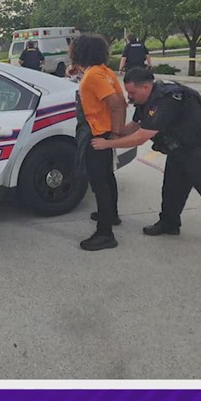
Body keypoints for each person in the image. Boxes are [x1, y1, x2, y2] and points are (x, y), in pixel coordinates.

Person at [91, 67, 201, 257]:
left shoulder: (167, 99)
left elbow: (142, 136)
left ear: (146, 87)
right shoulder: (145, 100)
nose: (130, 96)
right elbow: (135, 126)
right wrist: (114, 132)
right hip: (181, 148)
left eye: (132, 92)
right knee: (172, 187)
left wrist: (108, 144)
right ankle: (169, 223)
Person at [72, 33, 127, 251]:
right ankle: (111, 215)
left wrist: (115, 134)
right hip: (104, 134)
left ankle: (105, 233)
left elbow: (116, 103)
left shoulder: (93, 76)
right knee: (107, 176)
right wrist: (116, 132)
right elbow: (120, 101)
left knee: (99, 183)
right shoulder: (105, 72)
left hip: (96, 135)